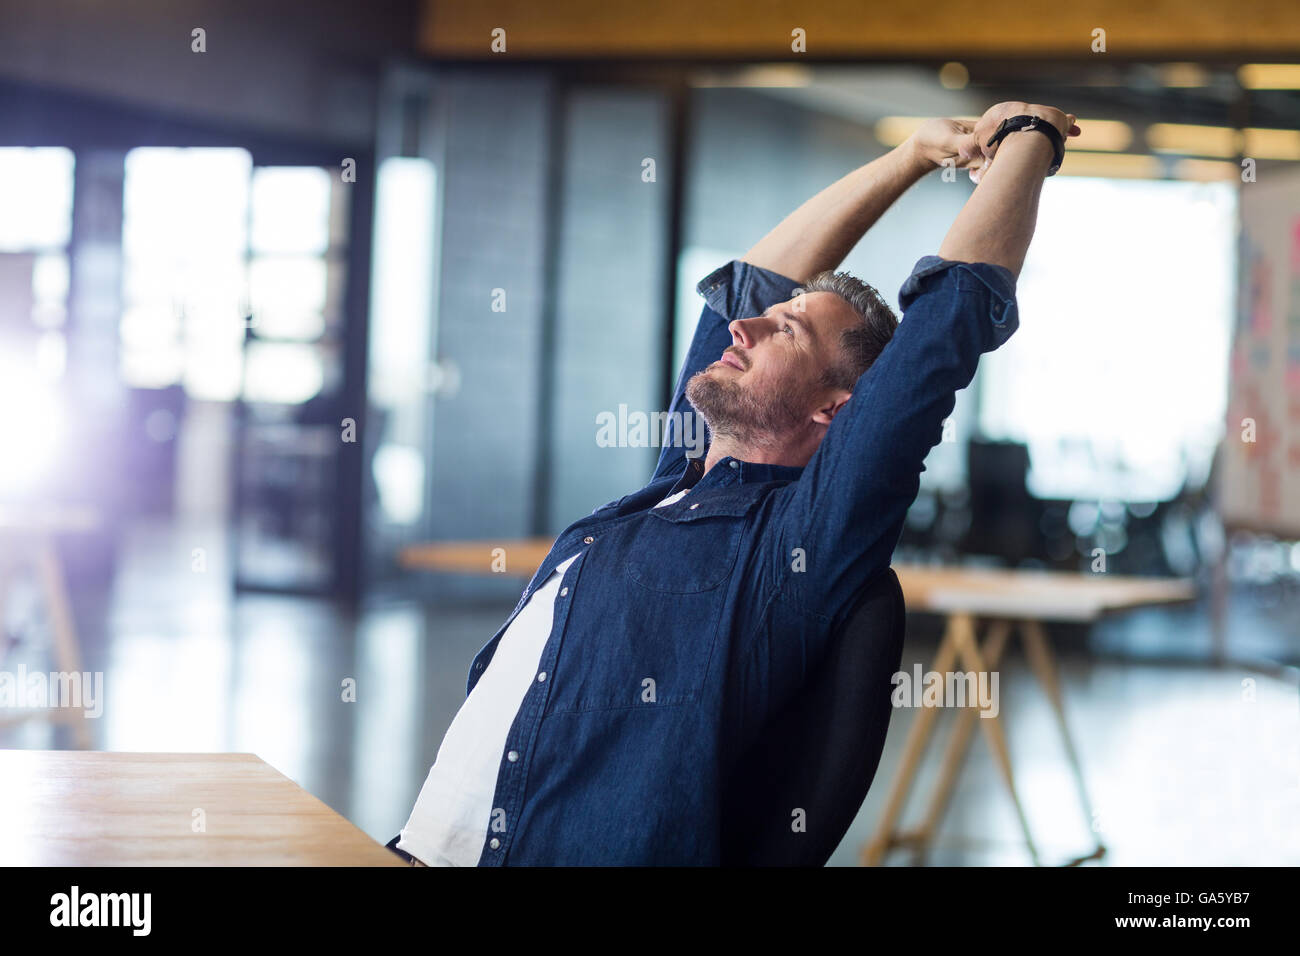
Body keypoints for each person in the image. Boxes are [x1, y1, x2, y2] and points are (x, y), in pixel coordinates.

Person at [392, 100, 1080, 866]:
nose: (742, 330)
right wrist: (913, 156)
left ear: (837, 407)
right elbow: (753, 284)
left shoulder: (797, 543)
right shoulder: (673, 483)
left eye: (783, 330)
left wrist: (1031, 138)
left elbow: (946, 324)